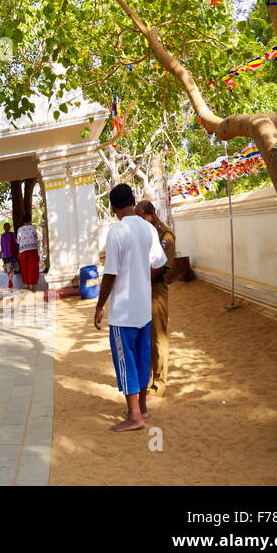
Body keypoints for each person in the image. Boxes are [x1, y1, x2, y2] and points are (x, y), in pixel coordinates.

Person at [94, 184, 167, 432]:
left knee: (126, 364)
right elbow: (159, 263)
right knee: (143, 360)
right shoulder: (149, 228)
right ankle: (143, 408)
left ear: (114, 208)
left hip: (123, 313)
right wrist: (141, 279)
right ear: (132, 201)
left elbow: (110, 274)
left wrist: (99, 305)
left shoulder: (117, 232)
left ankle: (134, 417)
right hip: (143, 309)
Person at [138, 200, 176, 397]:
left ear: (150, 214)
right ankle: (152, 376)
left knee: (159, 336)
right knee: (147, 336)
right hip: (145, 288)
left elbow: (159, 268)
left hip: (156, 289)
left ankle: (159, 383)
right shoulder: (148, 233)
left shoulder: (165, 236)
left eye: (140, 216)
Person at [15, 217, 40, 290]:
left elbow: (18, 241)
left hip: (23, 250)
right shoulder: (33, 228)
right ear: (30, 221)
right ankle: (31, 284)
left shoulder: (20, 229)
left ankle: (26, 284)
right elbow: (35, 237)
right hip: (33, 248)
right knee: (32, 267)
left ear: (23, 222)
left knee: (24, 267)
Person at [0, 221, 18, 286]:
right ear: (9, 228)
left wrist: (2, 254)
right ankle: (10, 280)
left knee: (7, 268)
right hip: (11, 253)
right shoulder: (12, 234)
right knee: (12, 268)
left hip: (5, 254)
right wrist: (17, 252)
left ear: (4, 228)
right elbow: (15, 243)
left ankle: (10, 280)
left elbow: (1, 245)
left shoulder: (2, 236)